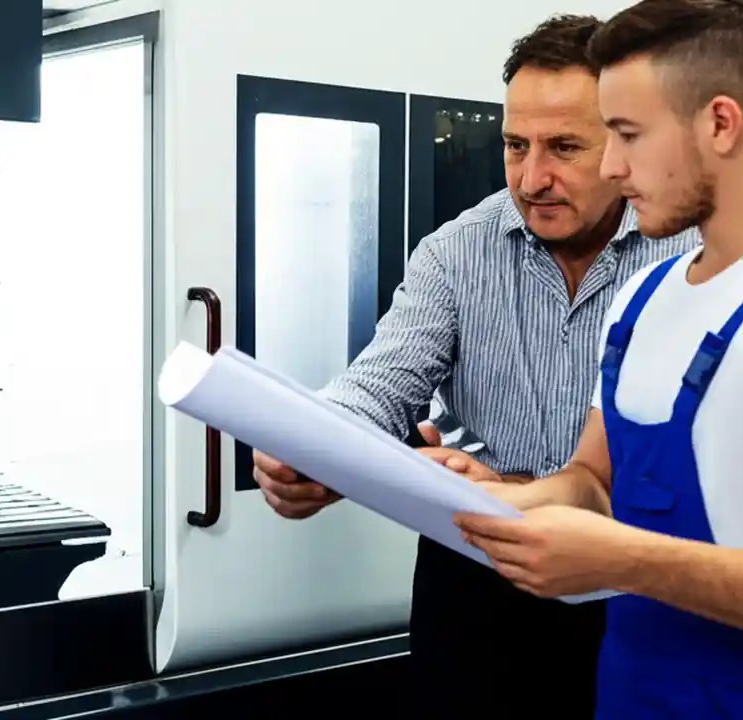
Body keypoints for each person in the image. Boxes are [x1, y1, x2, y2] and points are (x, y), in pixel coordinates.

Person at [251, 13, 699, 719]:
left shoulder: (690, 256)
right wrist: (313, 448)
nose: (532, 177)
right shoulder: (457, 251)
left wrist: (517, 487)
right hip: (479, 585)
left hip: (637, 587)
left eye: (563, 147)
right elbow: (377, 386)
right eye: (515, 145)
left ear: (622, 141)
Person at [440, 1, 743, 717]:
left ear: (719, 123)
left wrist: (622, 559)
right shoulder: (645, 297)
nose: (612, 169)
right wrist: (488, 501)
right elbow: (591, 480)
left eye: (626, 135)